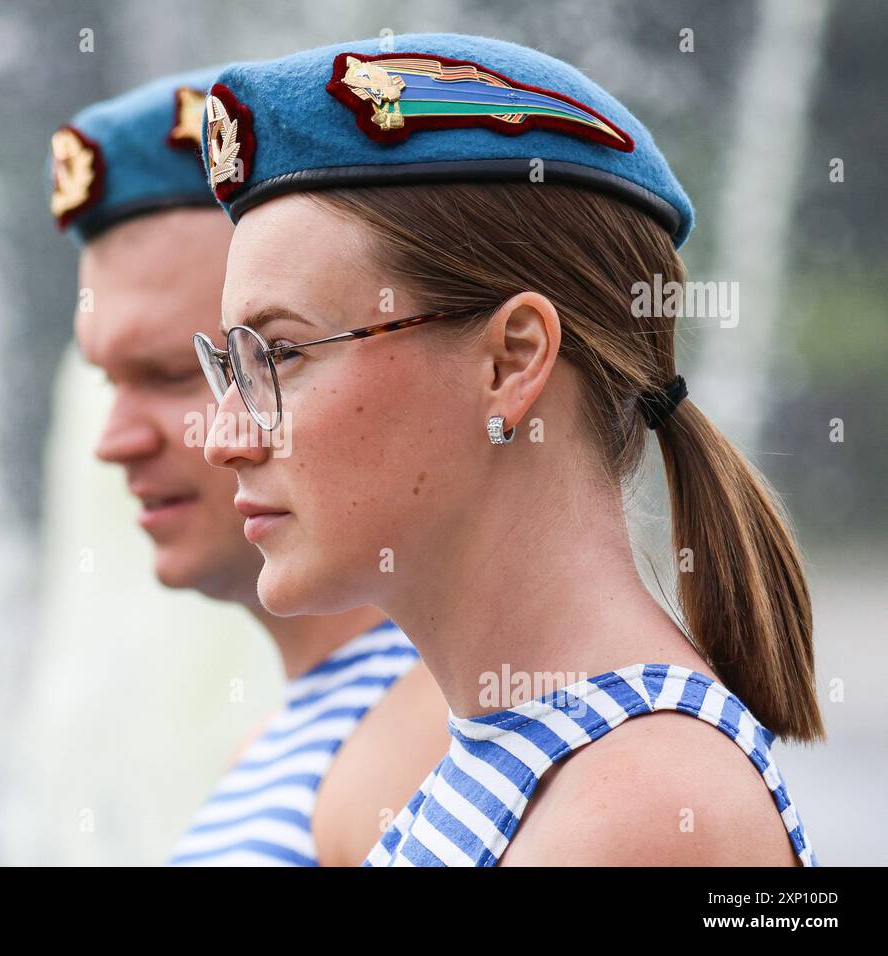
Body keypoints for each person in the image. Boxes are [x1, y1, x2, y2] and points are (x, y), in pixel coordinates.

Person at [194, 34, 822, 866]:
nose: (224, 438)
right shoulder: (525, 759)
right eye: (228, 367)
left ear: (512, 360)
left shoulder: (641, 810)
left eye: (281, 355)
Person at [50, 69, 449, 866]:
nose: (112, 440)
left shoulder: (445, 735)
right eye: (106, 382)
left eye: (171, 372)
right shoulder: (305, 737)